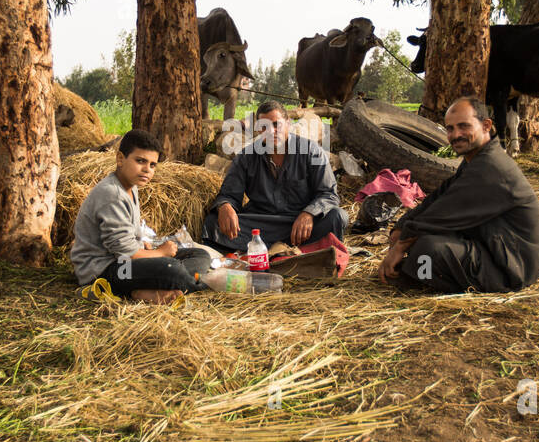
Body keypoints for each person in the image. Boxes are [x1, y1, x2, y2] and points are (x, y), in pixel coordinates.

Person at [380, 96, 539, 294]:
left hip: (510, 266)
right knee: (421, 240)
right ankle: (417, 272)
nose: (456, 135)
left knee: (427, 249)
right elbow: (438, 198)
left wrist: (401, 245)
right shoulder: (476, 160)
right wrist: (401, 228)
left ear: (486, 126)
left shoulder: (491, 167)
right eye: (450, 129)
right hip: (490, 245)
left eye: (464, 126)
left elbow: (444, 212)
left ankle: (420, 280)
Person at [70, 128, 213, 304]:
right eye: (140, 161)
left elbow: (128, 237)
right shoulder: (111, 194)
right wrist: (159, 253)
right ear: (120, 159)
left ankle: (150, 288)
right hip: (103, 270)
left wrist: (144, 246)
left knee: (200, 255)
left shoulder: (131, 187)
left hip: (124, 263)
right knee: (171, 268)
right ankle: (197, 283)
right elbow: (125, 253)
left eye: (152, 165)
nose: (147, 170)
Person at [200, 100, 347, 253]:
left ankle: (271, 250)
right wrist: (225, 206)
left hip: (300, 227)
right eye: (264, 127)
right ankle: (291, 250)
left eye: (277, 124)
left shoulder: (311, 151)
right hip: (261, 226)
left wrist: (309, 213)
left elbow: (329, 194)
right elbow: (229, 194)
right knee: (213, 222)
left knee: (337, 216)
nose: (271, 131)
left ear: (288, 124)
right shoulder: (246, 156)